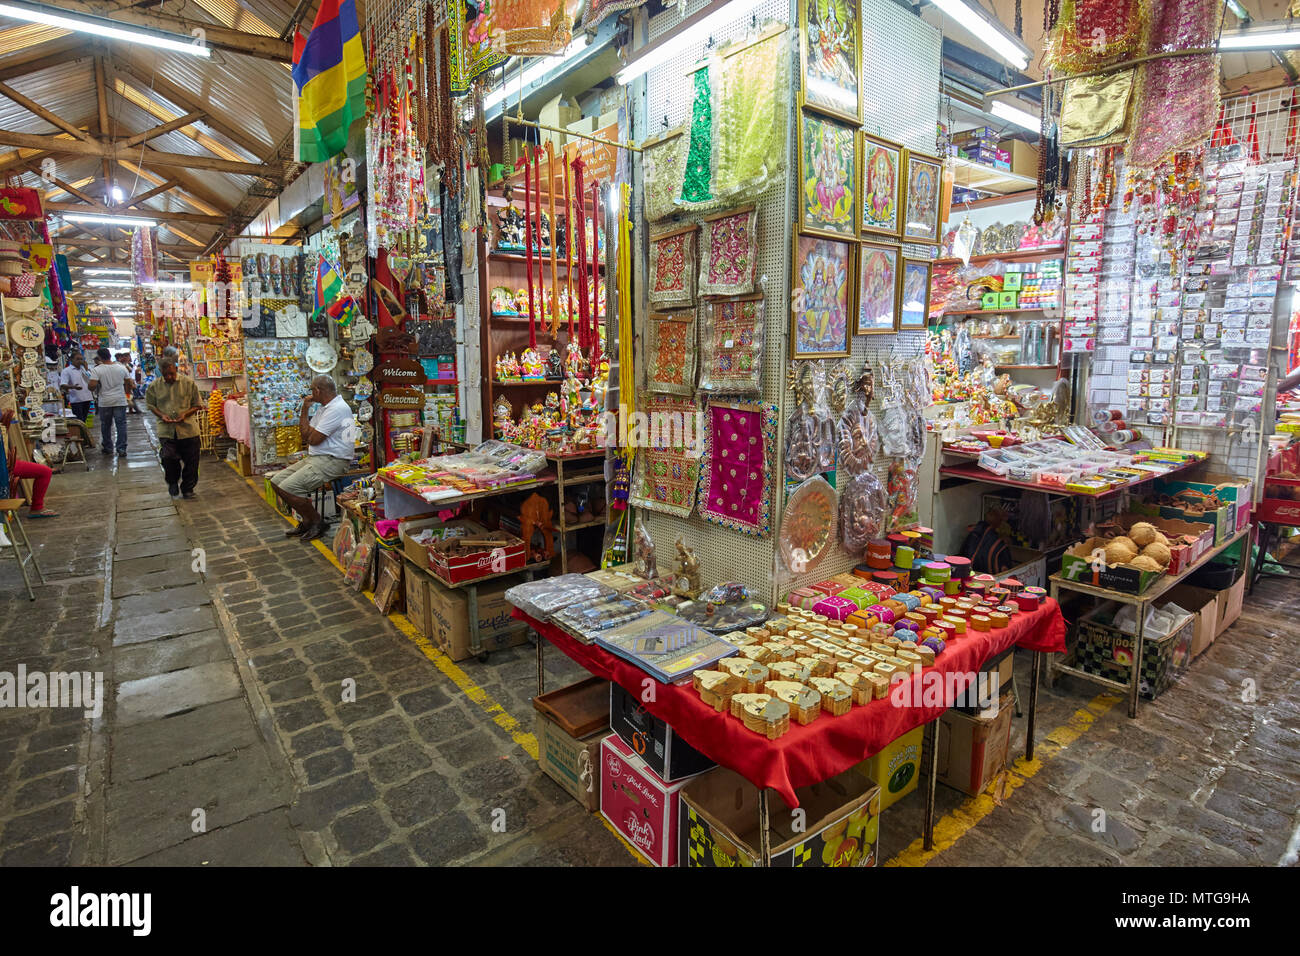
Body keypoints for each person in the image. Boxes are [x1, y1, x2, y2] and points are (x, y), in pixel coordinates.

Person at [270, 375, 356, 541]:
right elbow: (305, 436)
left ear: (317, 390)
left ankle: (317, 522)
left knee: (289, 487)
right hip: (318, 457)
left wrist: (310, 435)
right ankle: (308, 520)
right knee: (276, 481)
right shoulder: (325, 408)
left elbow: (313, 439)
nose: (310, 393)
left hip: (333, 460)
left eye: (312, 390)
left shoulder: (336, 409)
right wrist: (305, 409)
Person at [144, 357, 203, 499]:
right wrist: (162, 415)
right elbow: (151, 405)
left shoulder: (188, 383)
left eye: (171, 373)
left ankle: (188, 488)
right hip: (166, 430)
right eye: (166, 375)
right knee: (168, 458)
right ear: (161, 372)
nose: (169, 377)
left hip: (188, 429)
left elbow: (197, 404)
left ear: (175, 369)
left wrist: (185, 414)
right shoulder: (154, 386)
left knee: (192, 461)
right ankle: (172, 482)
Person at [1, 409, 57, 518]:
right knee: (45, 472)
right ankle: (37, 507)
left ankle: (37, 507)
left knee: (44, 471)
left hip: (5, 463)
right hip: (4, 466)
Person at [88, 347, 131, 457]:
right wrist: (127, 394)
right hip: (120, 400)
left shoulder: (97, 370)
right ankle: (121, 448)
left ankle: (108, 447)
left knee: (106, 425)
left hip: (105, 401)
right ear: (110, 356)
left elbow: (92, 386)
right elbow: (128, 382)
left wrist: (94, 385)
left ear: (100, 357)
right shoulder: (121, 368)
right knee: (121, 425)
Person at [60, 352, 94, 422]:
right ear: (71, 360)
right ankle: (80, 433)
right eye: (77, 359)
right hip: (76, 399)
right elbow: (63, 385)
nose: (80, 361)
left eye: (81, 359)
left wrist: (86, 369)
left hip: (87, 397)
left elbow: (91, 380)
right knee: (79, 420)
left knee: (84, 419)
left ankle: (83, 432)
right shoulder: (66, 371)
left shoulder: (84, 369)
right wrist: (73, 387)